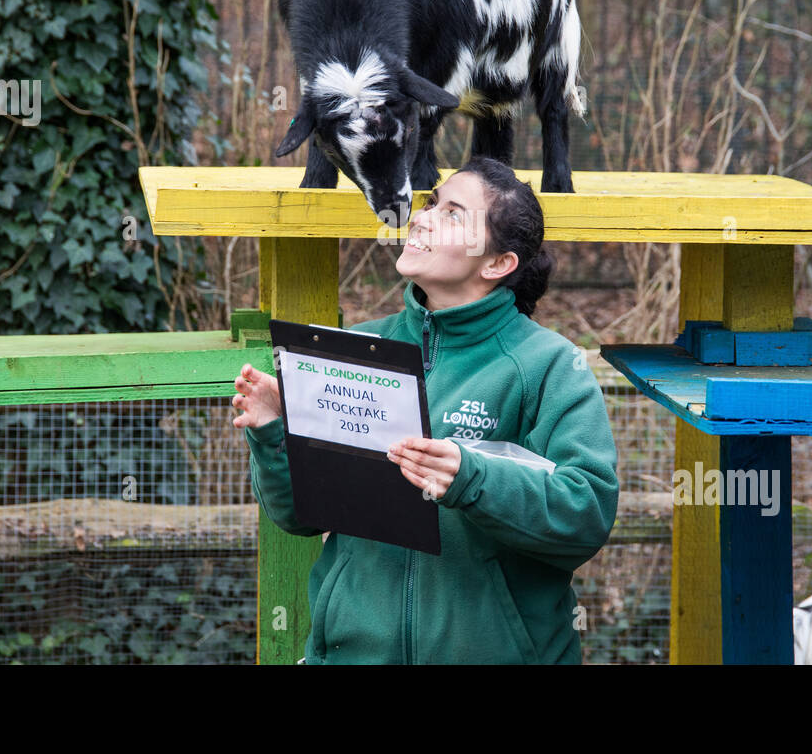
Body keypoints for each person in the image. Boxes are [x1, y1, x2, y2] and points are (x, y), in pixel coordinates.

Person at [231, 156, 619, 664]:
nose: (421, 216)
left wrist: (473, 478)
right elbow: (299, 516)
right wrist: (275, 433)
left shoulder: (549, 365)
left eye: (454, 213)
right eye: (432, 202)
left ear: (497, 264)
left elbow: (585, 513)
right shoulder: (356, 350)